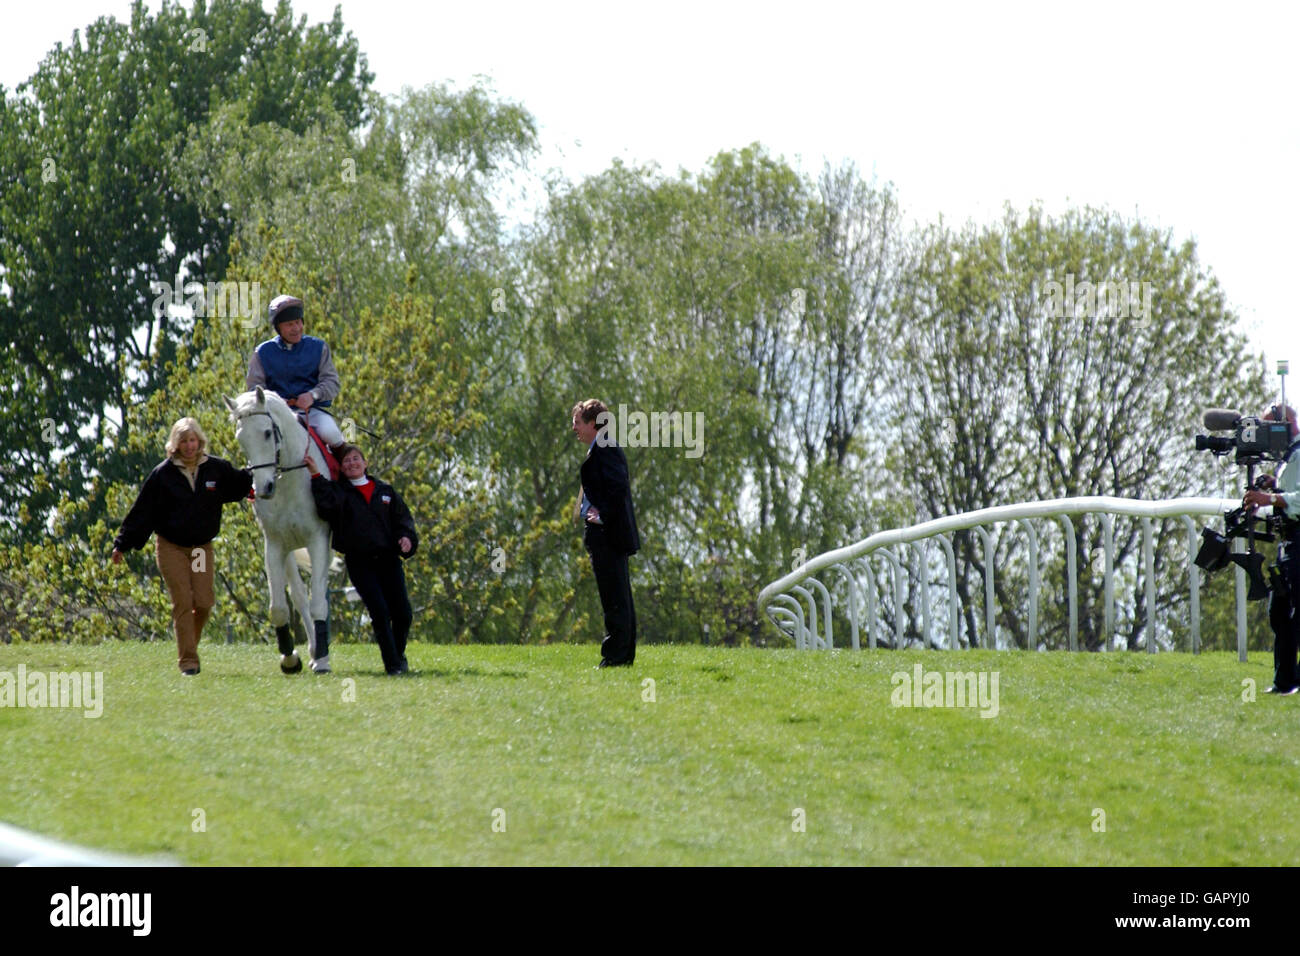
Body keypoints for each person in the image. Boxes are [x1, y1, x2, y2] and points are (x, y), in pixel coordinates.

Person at [111, 417, 252, 674]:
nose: (189, 445)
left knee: (204, 601)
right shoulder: (162, 474)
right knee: (183, 600)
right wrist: (122, 543)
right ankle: (188, 662)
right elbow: (142, 511)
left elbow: (240, 483)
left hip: (200, 548)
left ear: (200, 441)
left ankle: (189, 645)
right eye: (184, 441)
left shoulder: (215, 469)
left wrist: (258, 476)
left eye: (192, 440)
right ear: (175, 444)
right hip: (171, 547)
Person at [308, 444, 418, 675]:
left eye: (356, 459)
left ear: (365, 463)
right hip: (360, 562)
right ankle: (393, 667)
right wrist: (316, 474)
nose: (352, 463)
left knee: (403, 614)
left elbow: (403, 521)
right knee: (380, 612)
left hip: (389, 560)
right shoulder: (339, 493)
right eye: (346, 461)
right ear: (342, 468)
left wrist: (407, 539)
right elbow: (326, 506)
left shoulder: (385, 491)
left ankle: (398, 655)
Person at [571, 399, 640, 667]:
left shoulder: (605, 447)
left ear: (591, 423)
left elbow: (618, 486)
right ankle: (621, 656)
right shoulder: (599, 447)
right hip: (606, 535)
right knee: (616, 597)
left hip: (608, 535)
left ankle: (615, 657)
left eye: (577, 422)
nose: (574, 427)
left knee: (615, 599)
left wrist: (603, 515)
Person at [1245, 403, 1300, 695]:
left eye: (1269, 429)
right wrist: (1274, 485)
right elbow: (1290, 489)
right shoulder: (1290, 458)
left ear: (1285, 426)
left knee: (1294, 615)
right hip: (1288, 542)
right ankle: (1285, 681)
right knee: (1280, 614)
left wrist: (1269, 499)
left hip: (1298, 542)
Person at [246, 294, 346, 452]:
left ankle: (352, 475)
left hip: (312, 412)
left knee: (332, 434)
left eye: (298, 322)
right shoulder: (262, 352)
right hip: (276, 415)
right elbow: (254, 389)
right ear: (278, 327)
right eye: (289, 324)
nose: (296, 328)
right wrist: (275, 401)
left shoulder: (319, 347)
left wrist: (312, 395)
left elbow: (332, 383)